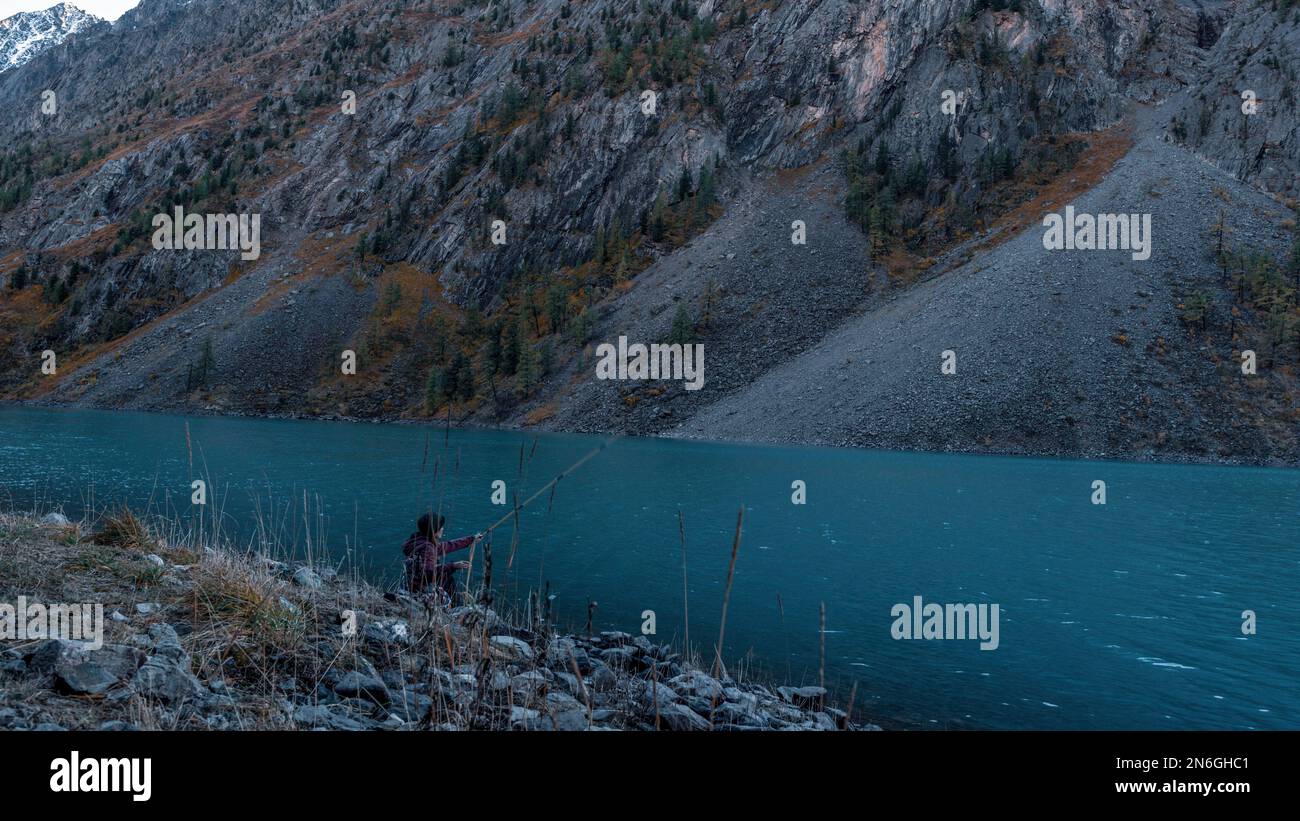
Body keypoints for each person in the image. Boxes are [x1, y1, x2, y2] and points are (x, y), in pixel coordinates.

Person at [402, 512, 481, 604]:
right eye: (441, 527)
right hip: (424, 590)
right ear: (435, 530)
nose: (442, 529)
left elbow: (448, 546)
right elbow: (429, 573)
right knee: (450, 586)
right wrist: (453, 566)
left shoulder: (419, 542)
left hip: (412, 585)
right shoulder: (427, 548)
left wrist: (471, 540)